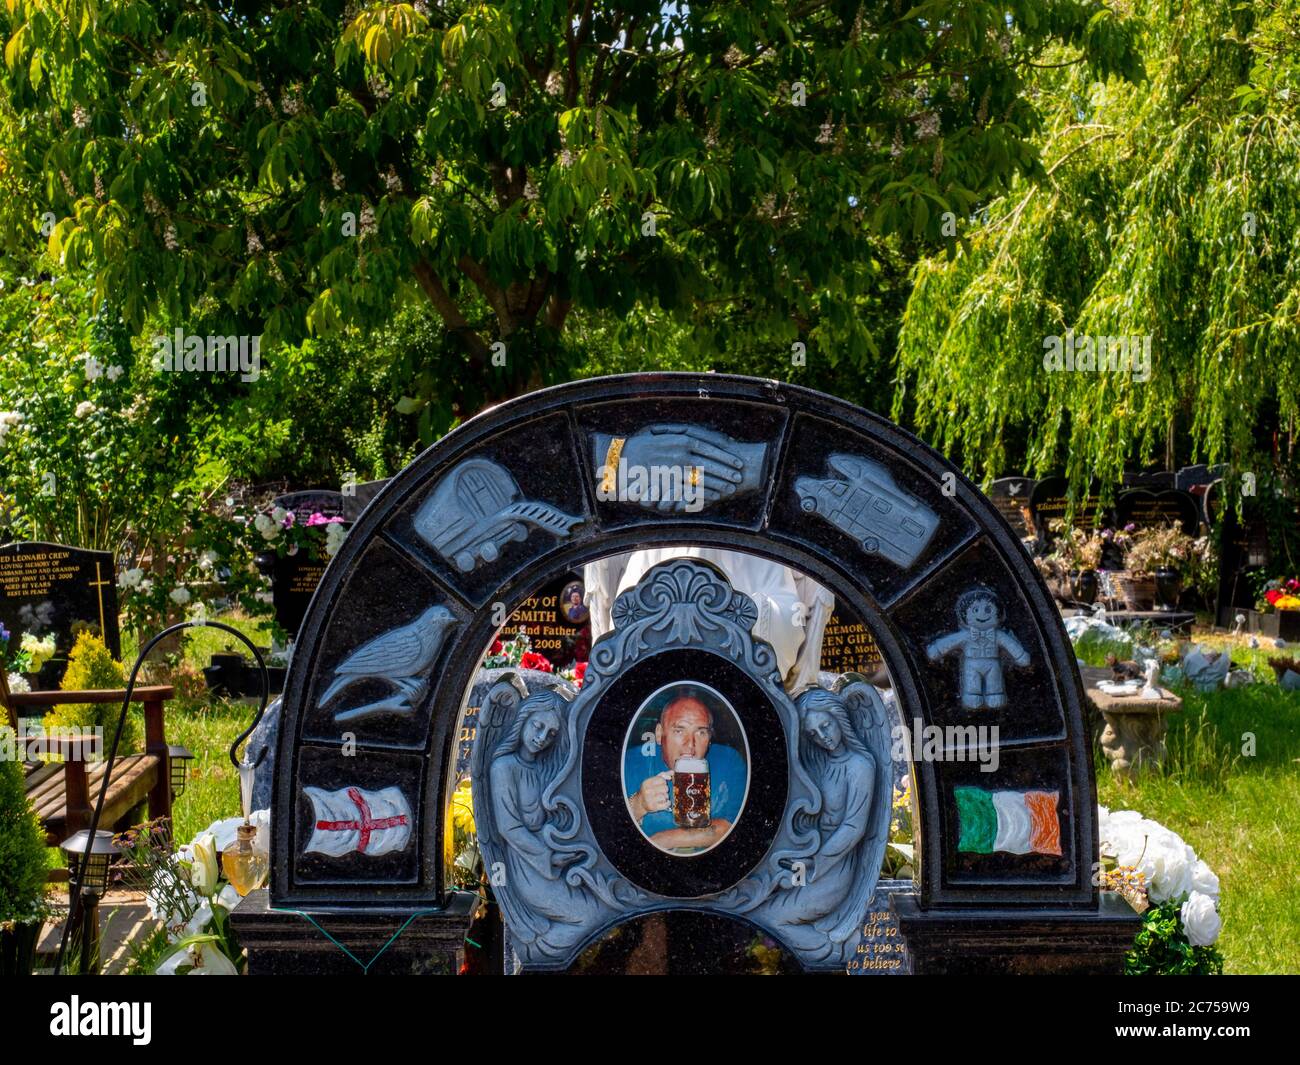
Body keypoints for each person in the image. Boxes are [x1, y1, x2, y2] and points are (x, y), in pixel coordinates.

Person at [624, 691, 747, 852]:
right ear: (660, 733)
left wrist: (662, 840)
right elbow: (607, 826)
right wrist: (638, 804)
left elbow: (733, 824)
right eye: (679, 730)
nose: (690, 745)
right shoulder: (632, 762)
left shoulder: (729, 759)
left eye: (701, 732)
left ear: (710, 737)